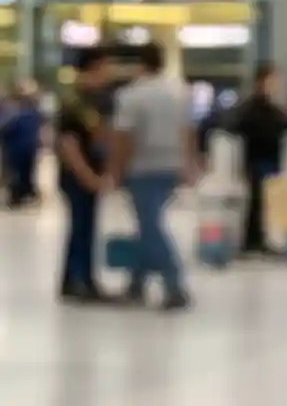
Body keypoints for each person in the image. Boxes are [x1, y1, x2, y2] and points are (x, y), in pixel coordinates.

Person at [106, 43, 194, 311]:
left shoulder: (131, 95)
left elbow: (124, 138)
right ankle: (136, 283)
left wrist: (115, 170)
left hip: (142, 166)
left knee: (151, 227)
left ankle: (175, 283)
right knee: (147, 224)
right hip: (171, 165)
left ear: (138, 65)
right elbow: (187, 131)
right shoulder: (178, 93)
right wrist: (190, 163)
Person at [55, 48, 115, 303]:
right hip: (77, 175)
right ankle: (79, 281)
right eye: (105, 67)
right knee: (81, 228)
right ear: (93, 67)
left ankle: (78, 279)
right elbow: (68, 144)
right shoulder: (74, 102)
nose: (109, 73)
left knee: (85, 228)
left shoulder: (94, 100)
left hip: (88, 173)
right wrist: (87, 175)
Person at [232, 63, 287, 256]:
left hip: (268, 160)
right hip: (258, 160)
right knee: (256, 202)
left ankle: (258, 240)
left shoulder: (269, 108)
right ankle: (251, 242)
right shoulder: (254, 108)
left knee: (264, 203)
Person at [1, 81, 45, 208]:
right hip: (19, 148)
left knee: (23, 173)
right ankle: (21, 195)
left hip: (23, 148)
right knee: (20, 173)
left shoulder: (18, 111)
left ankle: (23, 194)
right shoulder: (15, 111)